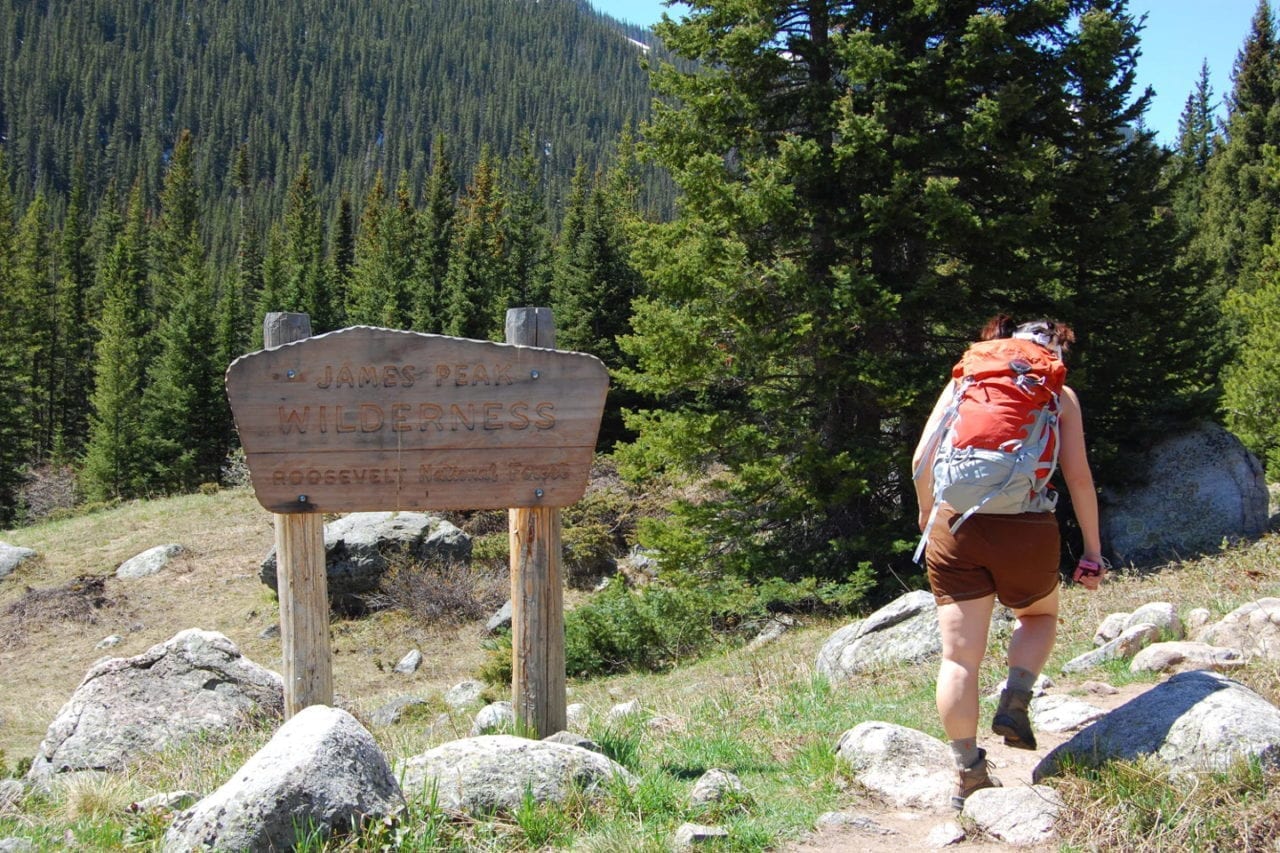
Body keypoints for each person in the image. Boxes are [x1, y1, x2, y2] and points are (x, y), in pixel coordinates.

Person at [911, 315, 1105, 809]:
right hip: (1026, 526)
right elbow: (1078, 479)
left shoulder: (965, 380)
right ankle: (1016, 697)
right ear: (1054, 351)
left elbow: (921, 460)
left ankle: (968, 773)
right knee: (1038, 615)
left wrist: (926, 515)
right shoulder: (1057, 393)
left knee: (958, 658)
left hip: (953, 528)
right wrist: (1092, 551)